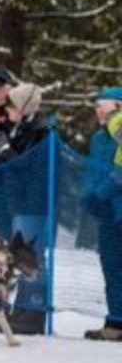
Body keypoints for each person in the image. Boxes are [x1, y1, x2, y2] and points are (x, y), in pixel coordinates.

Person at [84, 86, 122, 341]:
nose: (98, 109)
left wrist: (103, 191)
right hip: (106, 211)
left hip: (117, 205)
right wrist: (89, 195)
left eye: (103, 104)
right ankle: (116, 320)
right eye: (96, 105)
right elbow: (92, 170)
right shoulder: (99, 137)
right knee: (110, 265)